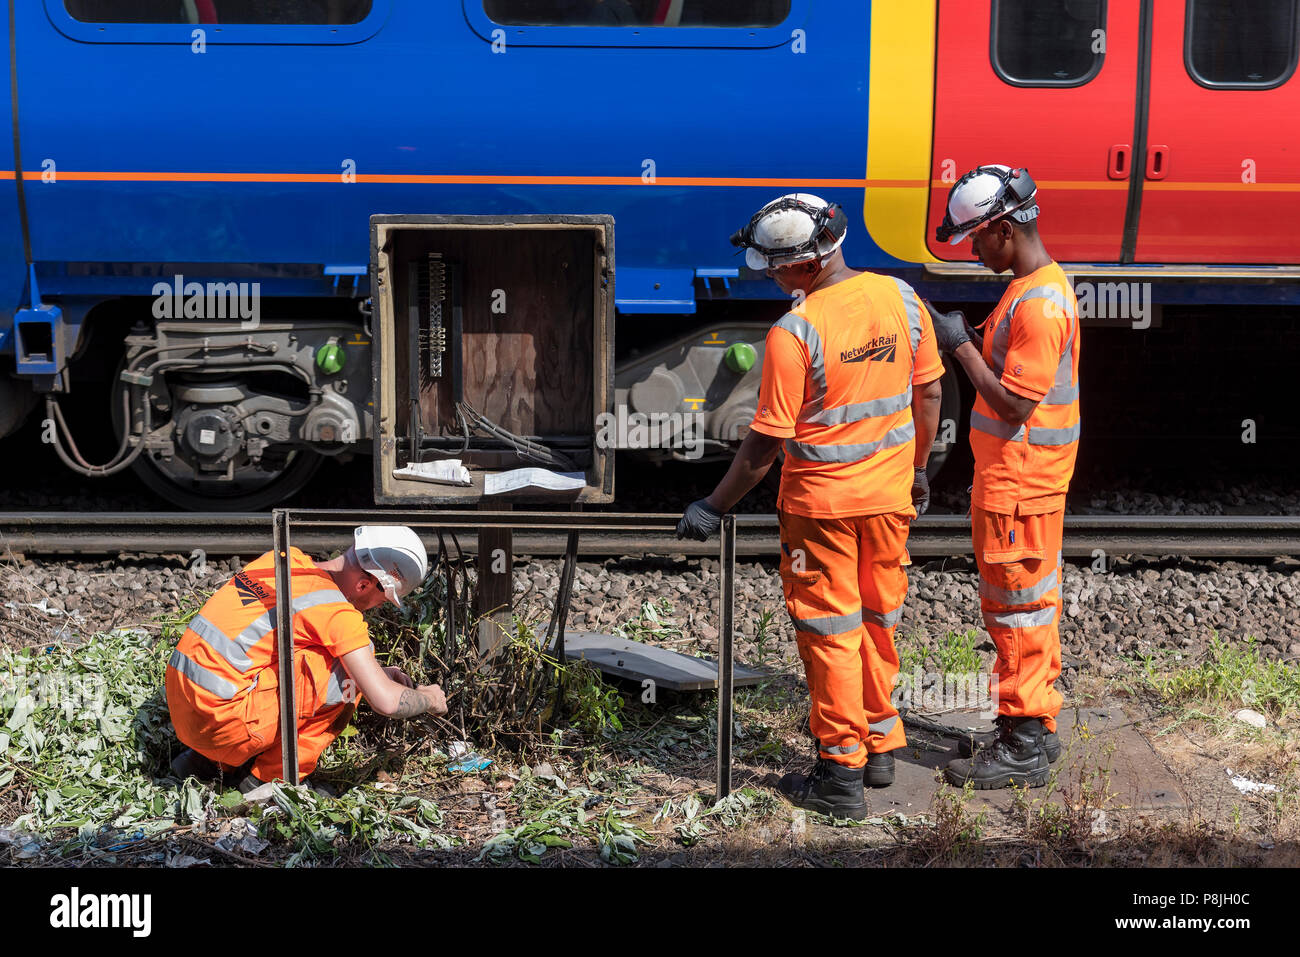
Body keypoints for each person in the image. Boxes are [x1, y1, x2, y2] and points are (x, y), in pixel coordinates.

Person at [677, 193, 944, 819]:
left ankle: (840, 773)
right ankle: (880, 748)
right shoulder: (902, 299)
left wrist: (713, 506)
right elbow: (929, 393)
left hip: (820, 512)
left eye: (773, 267)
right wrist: (918, 468)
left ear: (802, 265)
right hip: (889, 502)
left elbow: (763, 447)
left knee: (830, 633)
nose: (769, 276)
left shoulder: (794, 332)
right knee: (877, 623)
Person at [928, 165, 1081, 789]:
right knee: (1032, 606)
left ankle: (1020, 744)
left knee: (1015, 610)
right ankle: (1034, 727)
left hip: (1020, 485)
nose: (973, 251)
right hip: (1027, 480)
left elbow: (1015, 405)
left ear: (1001, 230)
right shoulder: (1036, 287)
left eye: (974, 239)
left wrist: (958, 344)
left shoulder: (1040, 304)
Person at [166, 525, 447, 794]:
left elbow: (272, 648)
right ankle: (275, 780)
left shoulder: (285, 560)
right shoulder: (338, 614)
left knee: (342, 662)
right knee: (351, 677)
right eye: (384, 600)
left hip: (185, 706)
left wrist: (377, 673)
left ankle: (206, 763)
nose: (377, 607)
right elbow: (386, 702)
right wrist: (429, 698)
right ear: (364, 585)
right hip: (221, 725)